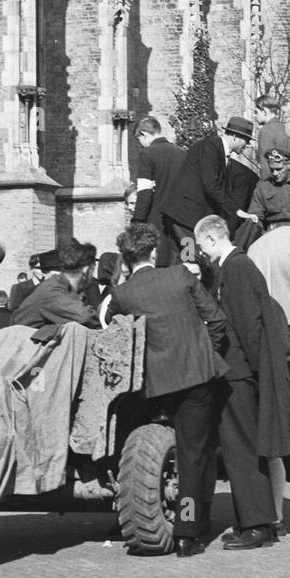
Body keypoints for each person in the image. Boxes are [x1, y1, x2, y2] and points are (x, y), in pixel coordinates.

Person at [108, 223, 229, 556]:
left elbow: (114, 332)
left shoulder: (123, 294)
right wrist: (206, 351)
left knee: (160, 446)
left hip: (156, 384)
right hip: (197, 374)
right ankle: (187, 531)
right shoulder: (181, 276)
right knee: (193, 453)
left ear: (126, 257)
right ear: (153, 251)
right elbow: (216, 320)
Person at [193, 215, 290, 549]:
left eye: (200, 247)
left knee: (242, 449)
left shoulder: (237, 268)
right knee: (243, 448)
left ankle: (256, 525)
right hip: (242, 373)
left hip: (240, 374)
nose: (201, 254)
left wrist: (253, 374)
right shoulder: (234, 267)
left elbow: (245, 325)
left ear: (212, 239)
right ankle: (253, 521)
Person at [165, 117, 259, 254]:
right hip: (184, 218)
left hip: (192, 219)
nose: (248, 144)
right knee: (191, 261)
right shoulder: (209, 147)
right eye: (246, 139)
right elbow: (211, 185)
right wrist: (236, 211)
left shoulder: (218, 151)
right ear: (234, 136)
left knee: (194, 261)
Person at [10, 239, 101, 333]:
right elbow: (84, 317)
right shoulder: (53, 291)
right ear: (86, 270)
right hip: (23, 345)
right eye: (93, 268)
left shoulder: (61, 285)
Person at [132, 117, 188, 265]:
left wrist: (137, 221)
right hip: (180, 221)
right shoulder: (182, 153)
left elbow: (145, 193)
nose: (141, 146)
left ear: (144, 135)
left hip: (156, 222)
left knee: (158, 266)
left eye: (139, 141)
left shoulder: (147, 154)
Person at [254, 95, 290, 174]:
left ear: (265, 111)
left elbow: (265, 167)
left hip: (276, 184)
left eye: (256, 112)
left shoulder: (265, 131)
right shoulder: (289, 131)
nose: (255, 116)